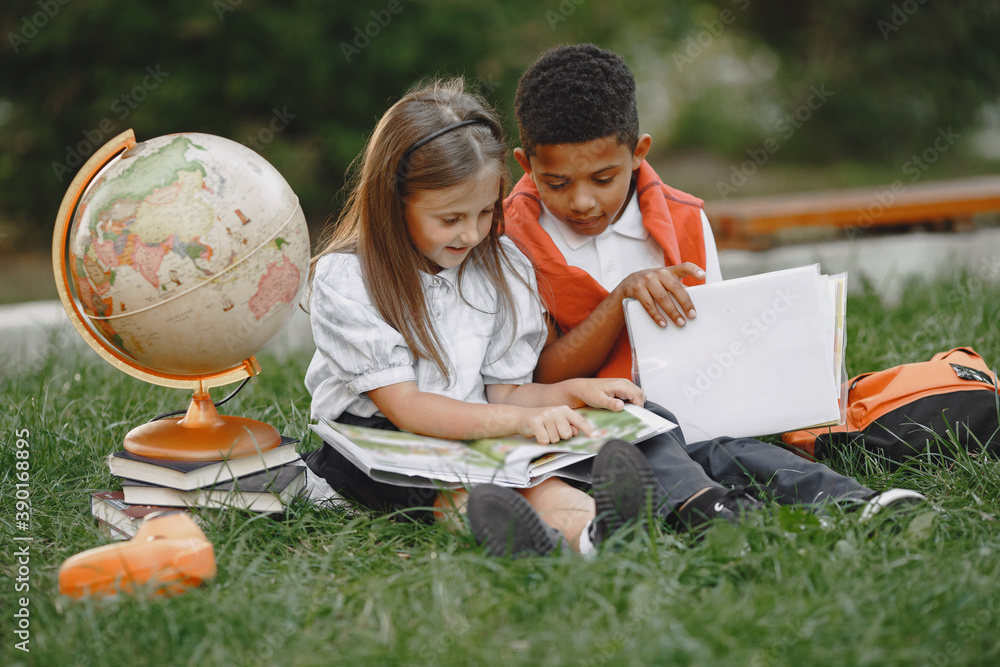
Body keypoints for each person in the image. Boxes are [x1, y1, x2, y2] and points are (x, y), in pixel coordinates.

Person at [503, 44, 925, 527]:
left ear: (638, 153)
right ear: (526, 165)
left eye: (603, 178)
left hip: (691, 413)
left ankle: (857, 502)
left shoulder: (683, 220)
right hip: (584, 424)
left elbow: (714, 342)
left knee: (735, 451)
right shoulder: (511, 242)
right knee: (651, 452)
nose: (581, 201)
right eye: (556, 183)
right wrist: (621, 299)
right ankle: (714, 514)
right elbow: (541, 377)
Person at [301, 78, 662, 557]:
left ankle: (601, 536)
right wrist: (515, 420)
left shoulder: (501, 265)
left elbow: (507, 390)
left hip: (477, 429)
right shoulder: (349, 278)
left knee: (535, 480)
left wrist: (571, 393)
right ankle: (528, 543)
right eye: (450, 219)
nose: (472, 234)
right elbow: (406, 408)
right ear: (393, 202)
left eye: (487, 212)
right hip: (381, 441)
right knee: (464, 492)